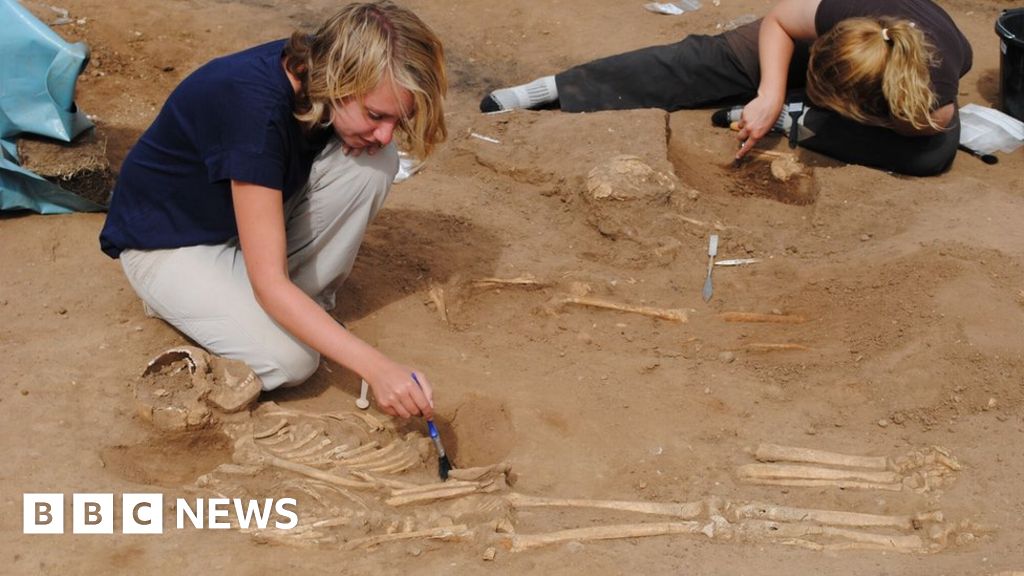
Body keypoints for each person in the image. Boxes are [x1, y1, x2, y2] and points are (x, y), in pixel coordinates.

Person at [99, 1, 447, 419]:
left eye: (398, 118)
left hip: (236, 219)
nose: (387, 132)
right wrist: (378, 368)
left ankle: (290, 309)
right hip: (167, 244)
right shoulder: (255, 113)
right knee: (294, 360)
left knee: (375, 162)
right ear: (339, 77)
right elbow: (268, 282)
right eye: (376, 115)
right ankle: (193, 302)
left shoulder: (319, 66)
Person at [479, 0, 972, 176]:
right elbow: (780, 21)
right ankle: (558, 88)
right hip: (839, 49)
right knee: (711, 59)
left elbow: (923, 133)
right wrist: (772, 91)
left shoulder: (928, 105)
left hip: (887, 94)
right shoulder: (842, 12)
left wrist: (787, 111)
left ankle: (799, 121)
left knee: (929, 156)